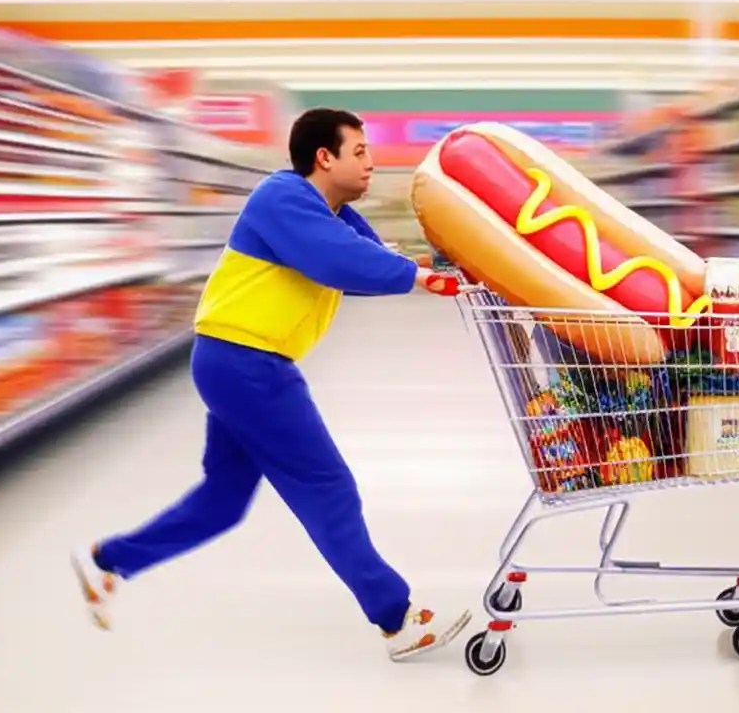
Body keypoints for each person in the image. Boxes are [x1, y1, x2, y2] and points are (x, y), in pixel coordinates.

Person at [70, 108, 470, 662]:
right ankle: (395, 618)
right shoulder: (281, 197)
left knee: (223, 501)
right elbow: (337, 261)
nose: (372, 162)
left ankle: (108, 560)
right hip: (247, 363)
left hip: (236, 362)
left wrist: (441, 266)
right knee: (327, 486)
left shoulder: (335, 213)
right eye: (359, 151)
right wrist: (419, 278)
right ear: (323, 157)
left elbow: (370, 260)